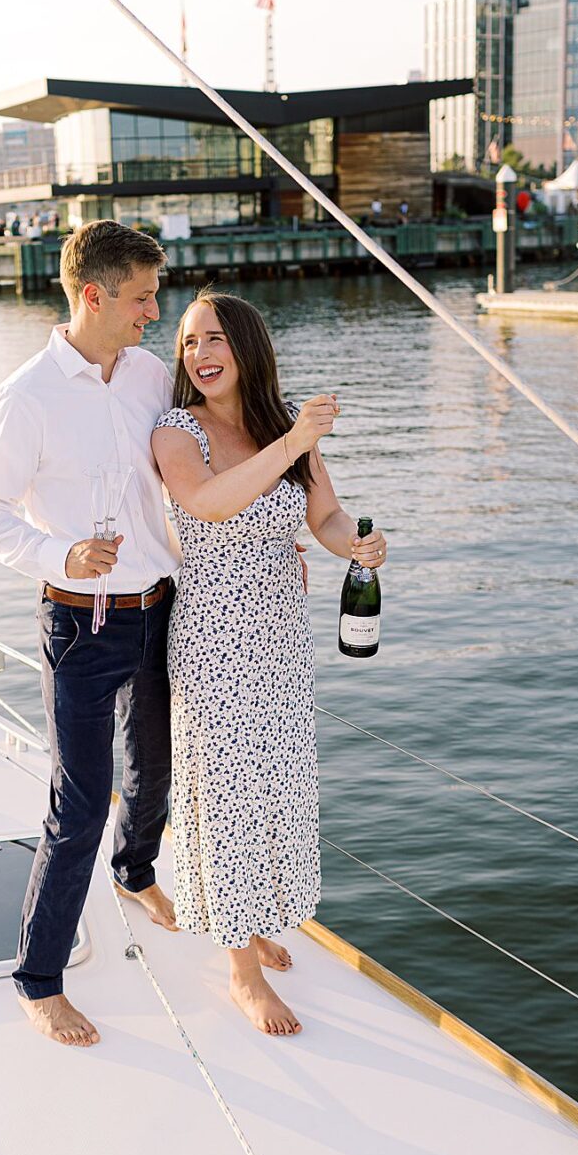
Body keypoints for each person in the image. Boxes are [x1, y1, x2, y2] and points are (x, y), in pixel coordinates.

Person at [151, 289, 388, 1037]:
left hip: (282, 637)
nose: (199, 354)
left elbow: (324, 515)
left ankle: (253, 923)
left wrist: (356, 544)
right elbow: (208, 502)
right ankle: (241, 971)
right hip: (214, 639)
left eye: (214, 338)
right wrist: (294, 443)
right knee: (226, 794)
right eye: (189, 342)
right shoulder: (176, 430)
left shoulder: (284, 426)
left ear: (248, 346)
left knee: (273, 785)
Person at [0, 219, 181, 1048]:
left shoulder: (151, 375)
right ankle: (38, 977)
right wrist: (63, 553)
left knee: (154, 772)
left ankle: (135, 873)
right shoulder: (25, 397)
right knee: (82, 801)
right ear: (93, 295)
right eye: (141, 298)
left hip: (160, 607)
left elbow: (190, 473)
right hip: (80, 624)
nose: (154, 312)